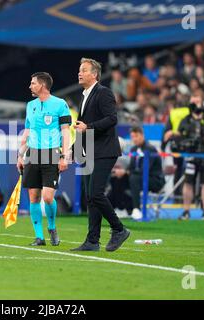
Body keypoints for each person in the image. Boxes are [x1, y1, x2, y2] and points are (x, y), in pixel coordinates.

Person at [71, 58, 130, 252]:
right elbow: (81, 128)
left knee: (95, 193)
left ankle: (119, 229)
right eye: (79, 70)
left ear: (94, 74)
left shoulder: (103, 92)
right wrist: (72, 151)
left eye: (84, 70)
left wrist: (90, 127)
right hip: (89, 151)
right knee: (90, 197)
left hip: (104, 150)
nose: (79, 73)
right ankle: (92, 241)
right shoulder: (85, 95)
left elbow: (112, 119)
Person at [17, 72, 71, 246]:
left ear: (42, 85)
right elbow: (27, 131)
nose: (30, 86)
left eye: (33, 83)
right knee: (33, 197)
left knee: (47, 197)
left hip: (52, 153)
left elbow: (65, 131)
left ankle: (52, 227)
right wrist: (19, 155)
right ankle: (39, 237)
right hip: (32, 154)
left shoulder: (60, 104)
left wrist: (64, 155)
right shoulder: (30, 105)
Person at [116, 126, 165, 220]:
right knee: (118, 178)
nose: (134, 139)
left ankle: (136, 209)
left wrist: (126, 172)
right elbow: (131, 167)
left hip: (155, 180)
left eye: (136, 136)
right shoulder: (133, 149)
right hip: (139, 178)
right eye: (132, 137)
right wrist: (122, 172)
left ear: (142, 135)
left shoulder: (150, 149)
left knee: (134, 178)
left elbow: (144, 169)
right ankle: (122, 208)